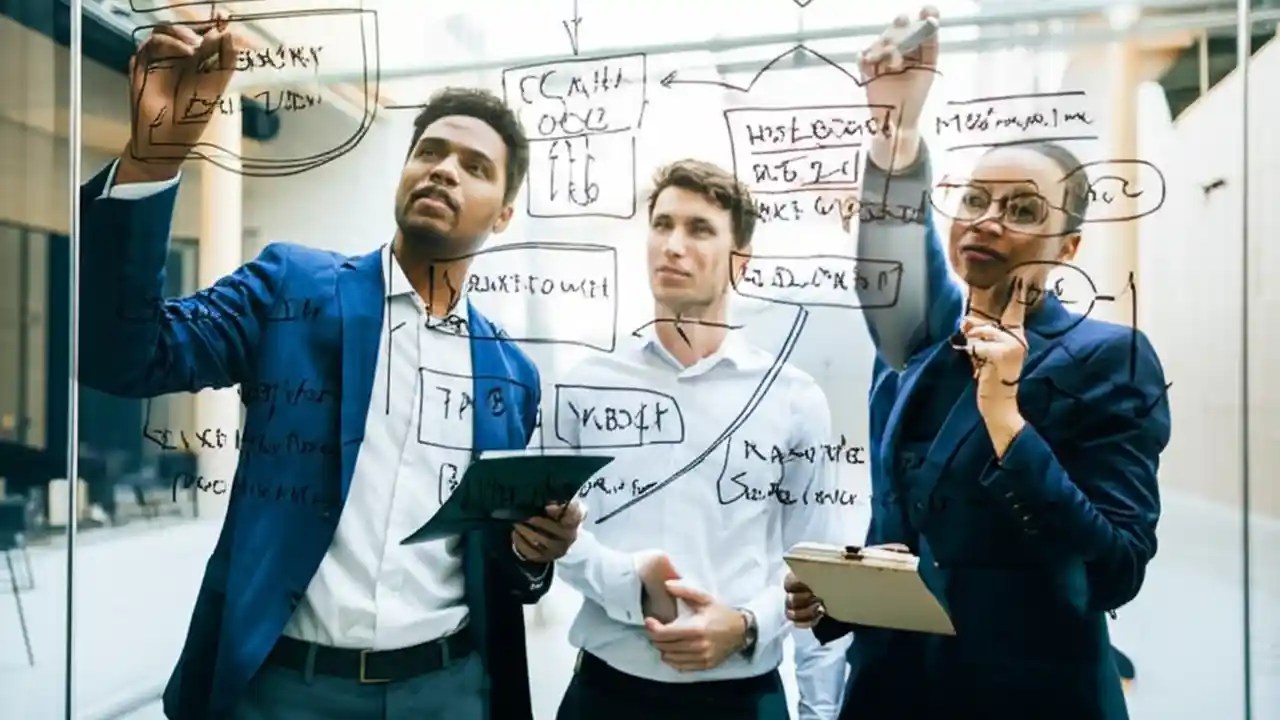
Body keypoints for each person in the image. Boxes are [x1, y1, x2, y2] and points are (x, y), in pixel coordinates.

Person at [79, 16, 581, 720]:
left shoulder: (512, 376)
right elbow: (123, 358)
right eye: (429, 151)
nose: (443, 169)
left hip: (449, 691)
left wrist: (534, 551)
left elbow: (498, 564)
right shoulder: (291, 288)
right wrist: (153, 160)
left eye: (475, 167)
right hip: (286, 690)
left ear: (503, 215)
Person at [784, 7, 1172, 720]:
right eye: (974, 199)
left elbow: (1114, 569)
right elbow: (910, 529)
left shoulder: (1107, 359)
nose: (989, 219)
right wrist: (845, 595)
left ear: (1068, 247)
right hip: (892, 690)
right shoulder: (916, 346)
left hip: (1032, 696)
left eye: (1022, 209)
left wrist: (1006, 423)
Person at [550, 159, 848, 720]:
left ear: (740, 261)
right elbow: (551, 537)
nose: (673, 245)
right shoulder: (584, 384)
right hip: (607, 695)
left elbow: (816, 567)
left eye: (699, 229)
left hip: (743, 700)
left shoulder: (792, 397)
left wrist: (749, 625)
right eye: (662, 225)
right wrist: (631, 588)